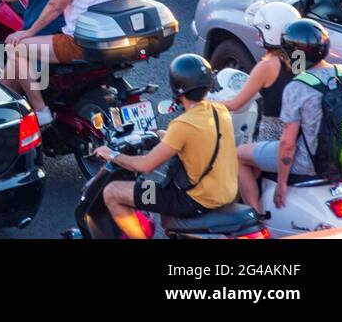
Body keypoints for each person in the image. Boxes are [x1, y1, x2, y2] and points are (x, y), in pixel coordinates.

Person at [95, 54, 238, 239]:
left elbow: (145, 165)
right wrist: (160, 135)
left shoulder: (183, 124)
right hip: (226, 193)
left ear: (176, 87)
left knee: (112, 192)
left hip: (193, 200)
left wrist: (111, 154)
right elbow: (192, 139)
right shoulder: (219, 110)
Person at [237, 18, 342, 213]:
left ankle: (255, 218)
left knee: (238, 155)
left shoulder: (297, 87)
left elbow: (287, 144)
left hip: (308, 161)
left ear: (296, 55)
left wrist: (281, 182)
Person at [222, 1, 302, 139]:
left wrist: (204, 103)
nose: (258, 36)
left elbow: (235, 105)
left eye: (260, 32)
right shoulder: (300, 57)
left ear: (271, 32)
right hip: (298, 131)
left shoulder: (266, 67)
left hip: (273, 135)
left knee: (239, 155)